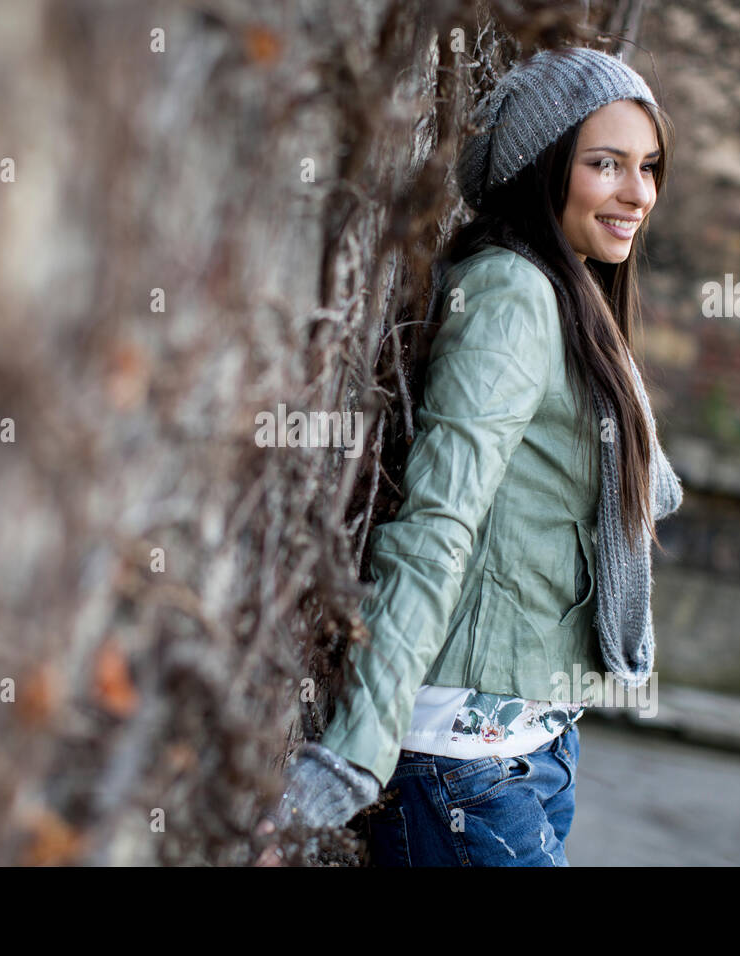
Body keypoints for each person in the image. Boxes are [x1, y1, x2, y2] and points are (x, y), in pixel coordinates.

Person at [258, 45, 684, 866]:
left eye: (650, 166)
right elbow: (437, 521)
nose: (640, 194)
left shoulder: (575, 299)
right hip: (463, 765)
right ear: (543, 166)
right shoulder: (513, 296)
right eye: (607, 165)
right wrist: (355, 751)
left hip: (535, 749)